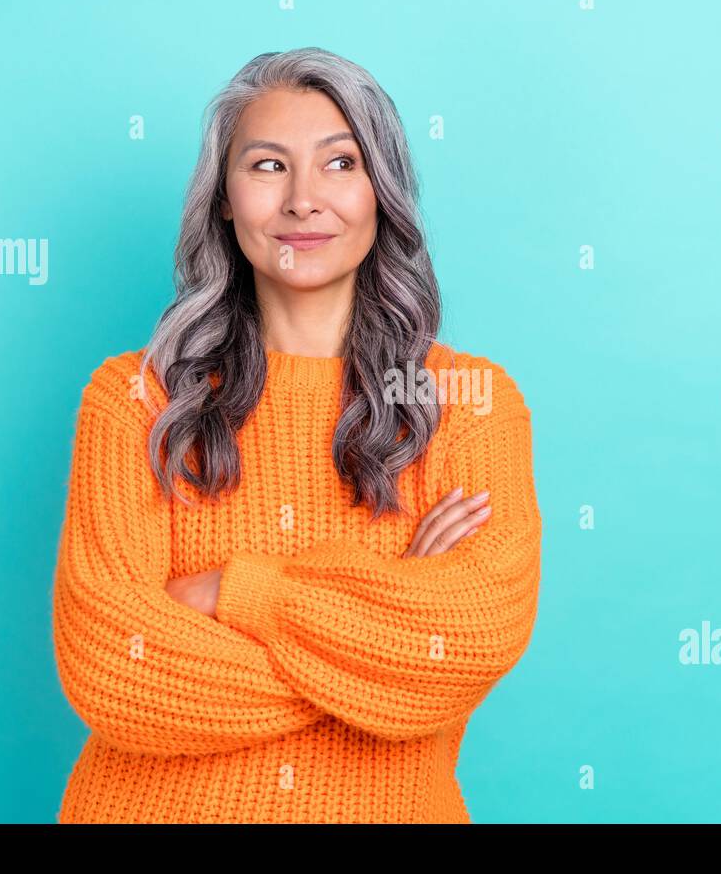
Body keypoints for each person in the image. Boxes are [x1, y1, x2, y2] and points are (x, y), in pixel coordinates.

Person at [52, 47, 542, 823]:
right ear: (223, 199)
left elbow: (466, 642)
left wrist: (230, 594)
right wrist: (379, 632)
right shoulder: (137, 400)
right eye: (268, 166)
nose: (304, 202)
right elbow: (114, 668)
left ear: (381, 190)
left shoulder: (467, 405)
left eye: (340, 163)